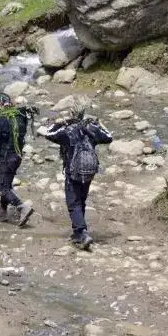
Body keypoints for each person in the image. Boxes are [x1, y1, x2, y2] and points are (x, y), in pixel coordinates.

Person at [41, 106, 113, 249]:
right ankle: (77, 232)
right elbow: (109, 137)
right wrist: (98, 123)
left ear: (72, 115)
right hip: (89, 171)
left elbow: (47, 132)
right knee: (81, 200)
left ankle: (81, 233)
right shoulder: (92, 129)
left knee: (73, 203)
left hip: (73, 171)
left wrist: (62, 122)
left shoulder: (68, 131)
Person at [0, 93, 34, 227]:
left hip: (5, 158)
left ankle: (22, 207)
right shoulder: (19, 116)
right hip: (17, 157)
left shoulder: (1, 119)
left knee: (1, 186)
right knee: (6, 185)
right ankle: (2, 212)